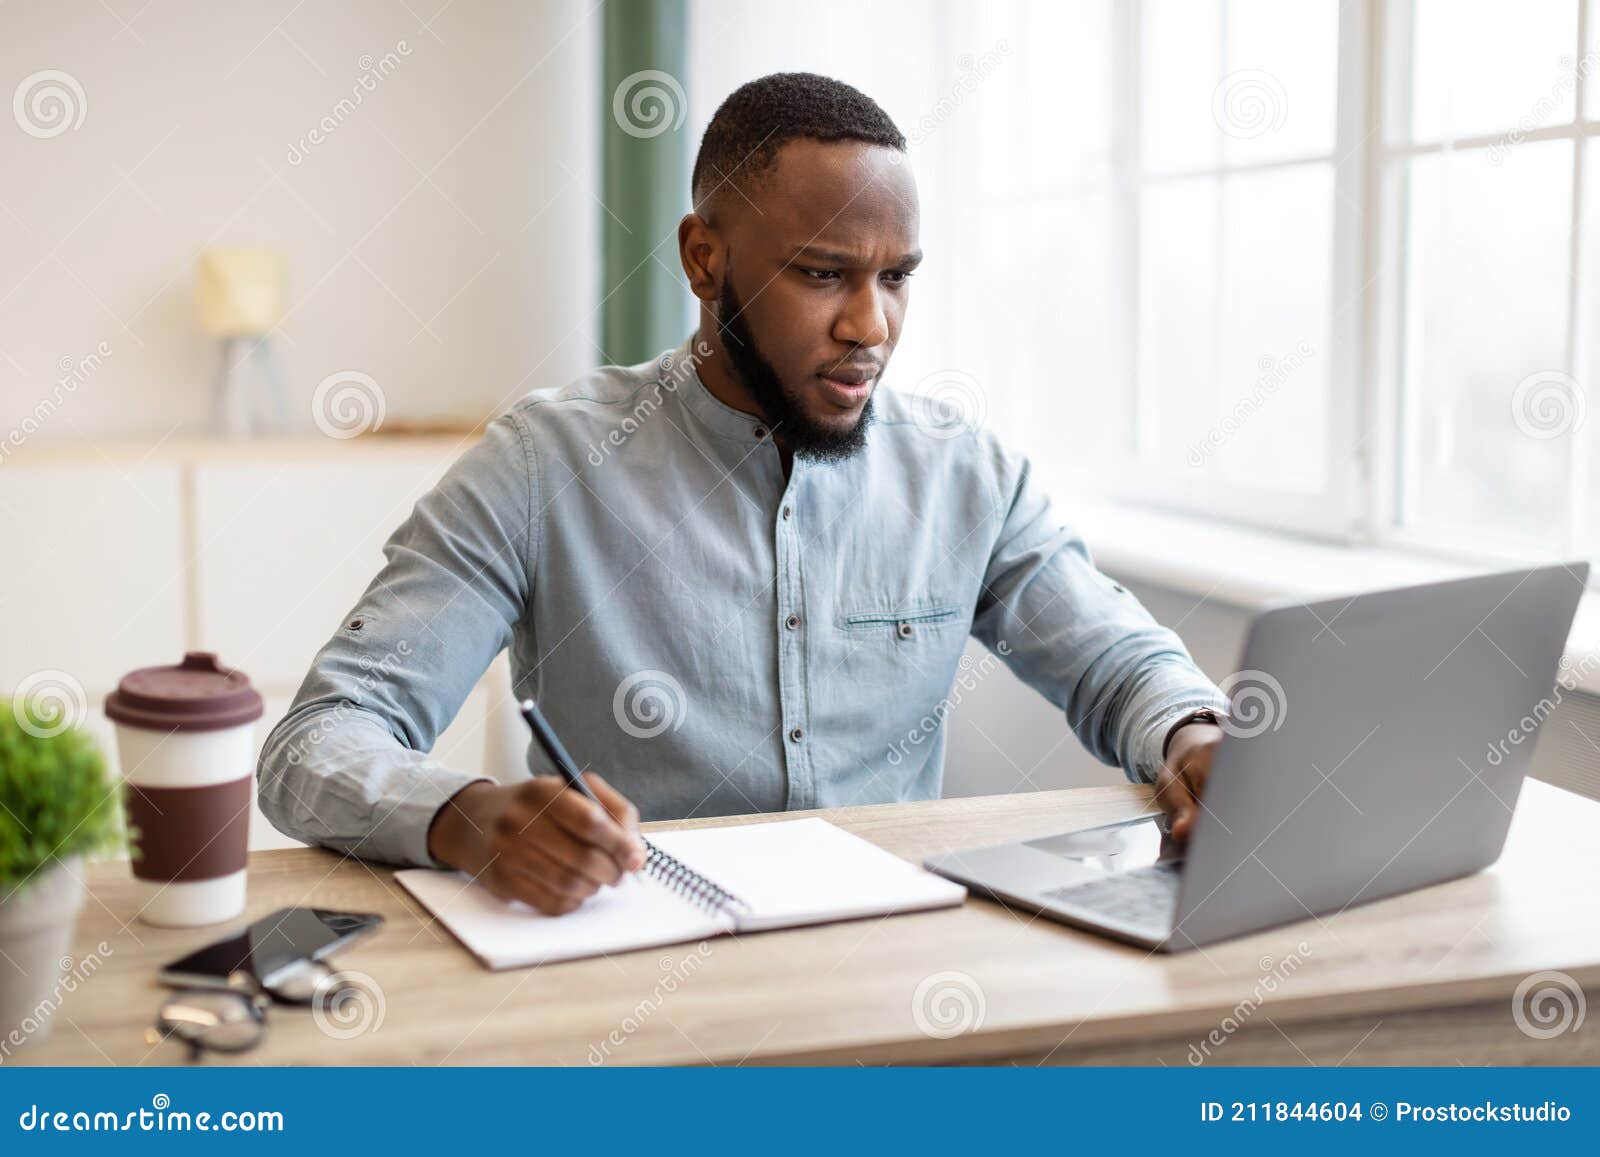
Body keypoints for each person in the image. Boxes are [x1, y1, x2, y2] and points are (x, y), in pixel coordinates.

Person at [259, 72, 1227, 916]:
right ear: (702, 258)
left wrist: (1192, 736)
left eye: (896, 277)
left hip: (893, 968)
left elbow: (1117, 662)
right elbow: (315, 743)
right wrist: (463, 815)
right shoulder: (539, 465)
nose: (870, 324)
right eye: (822, 274)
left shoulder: (964, 476)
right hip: (635, 974)